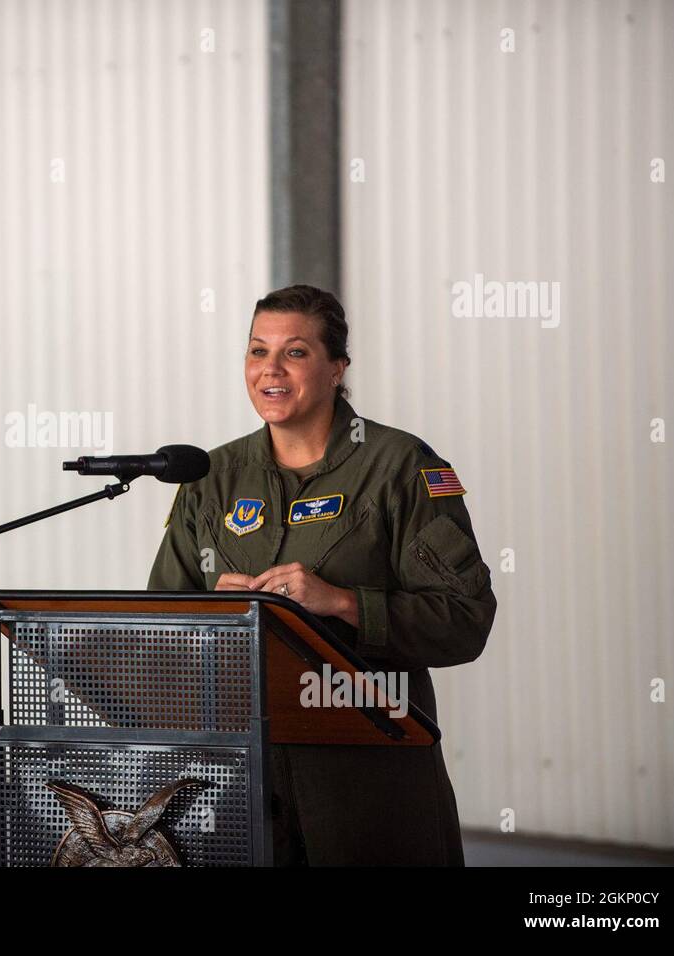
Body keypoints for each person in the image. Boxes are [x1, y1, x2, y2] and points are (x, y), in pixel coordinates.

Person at [149, 285, 496, 865]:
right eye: (257, 351)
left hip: (366, 783)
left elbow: (466, 620)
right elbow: (156, 631)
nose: (270, 370)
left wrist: (342, 602)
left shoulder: (400, 467)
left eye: (296, 352)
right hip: (238, 785)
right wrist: (210, 612)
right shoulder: (211, 478)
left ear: (338, 367)